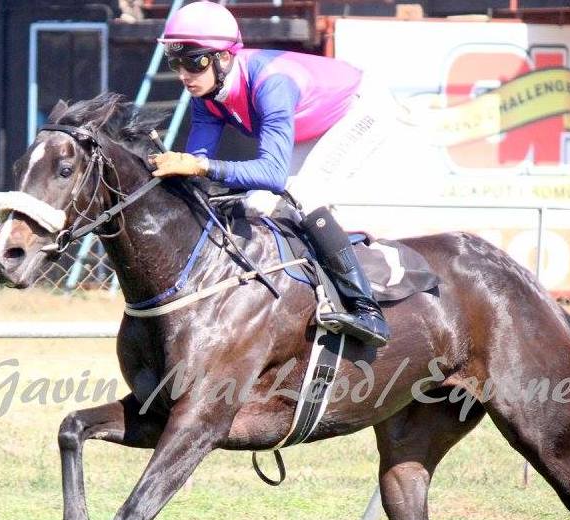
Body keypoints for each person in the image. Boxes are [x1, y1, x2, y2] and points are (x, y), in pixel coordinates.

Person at [151, 0, 393, 347]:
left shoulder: (271, 84)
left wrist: (200, 166)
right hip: (312, 123)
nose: (183, 74)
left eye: (194, 61)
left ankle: (367, 310)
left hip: (359, 110)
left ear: (223, 57)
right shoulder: (204, 94)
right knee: (257, 205)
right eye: (175, 62)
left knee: (303, 197)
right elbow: (195, 163)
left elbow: (272, 175)